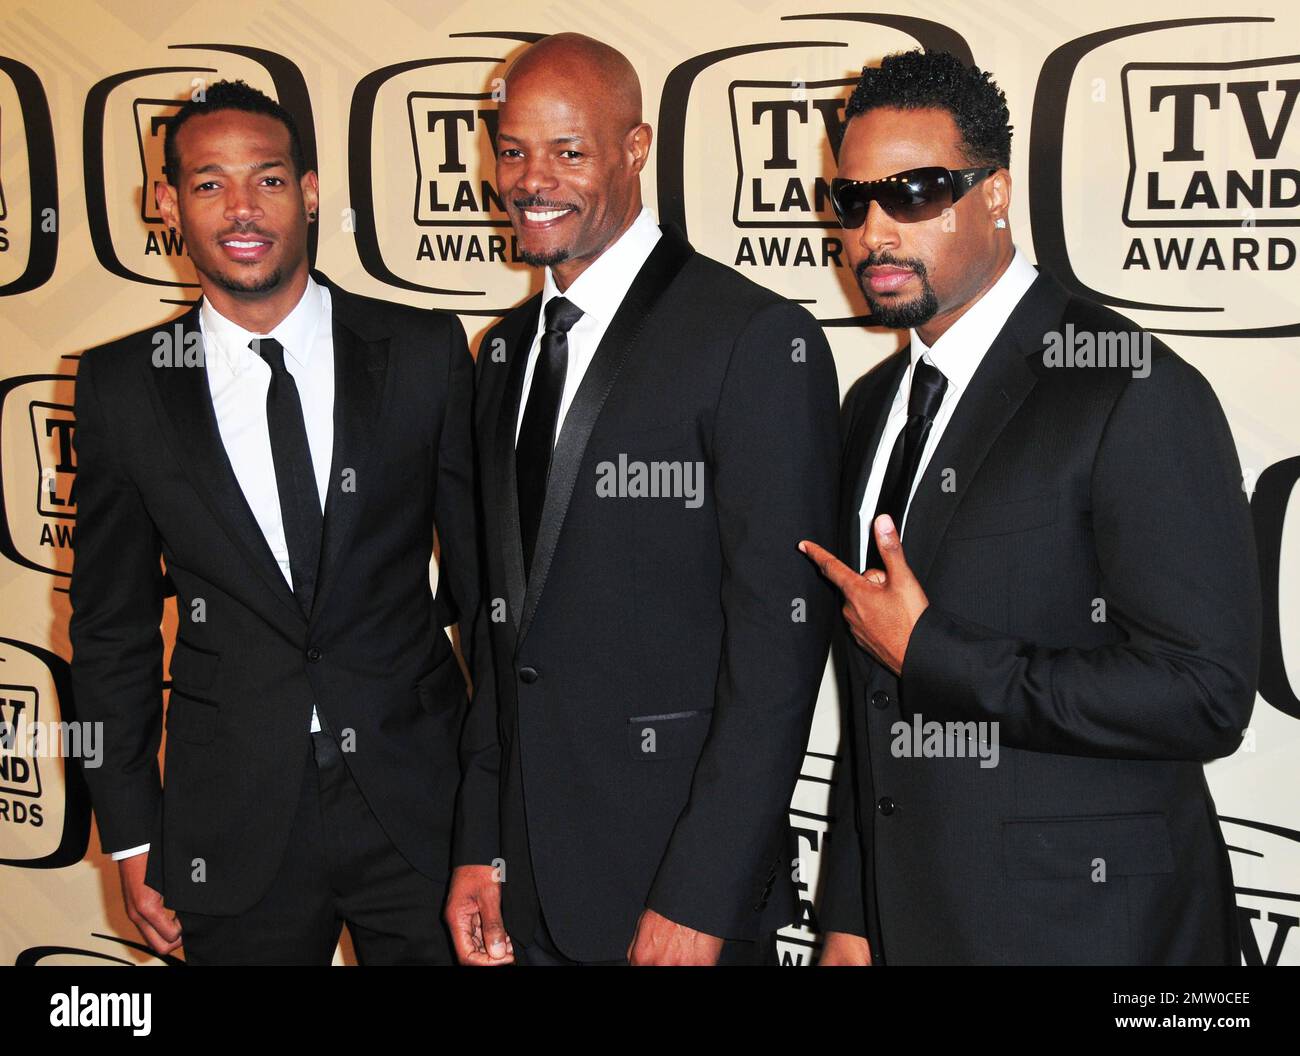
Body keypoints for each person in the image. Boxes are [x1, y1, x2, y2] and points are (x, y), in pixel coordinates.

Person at [804, 50, 1261, 965]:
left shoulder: (1127, 389)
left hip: (1095, 936)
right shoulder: (868, 409)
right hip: (912, 924)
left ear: (998, 192)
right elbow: (875, 697)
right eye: (853, 201)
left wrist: (936, 653)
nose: (876, 232)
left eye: (918, 192)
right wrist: (853, 912)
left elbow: (1206, 696)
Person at [445, 33, 840, 966]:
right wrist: (480, 844)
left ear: (635, 149)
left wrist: (699, 896)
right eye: (512, 150)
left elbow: (778, 655)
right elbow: (499, 640)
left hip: (672, 889)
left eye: (568, 151)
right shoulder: (502, 356)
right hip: (526, 883)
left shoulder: (751, 339)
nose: (532, 179)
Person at [69, 80, 478, 964]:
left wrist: (496, 817)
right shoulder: (120, 387)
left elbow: (485, 599)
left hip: (424, 810)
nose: (243, 208)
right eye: (210, 184)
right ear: (168, 202)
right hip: (229, 822)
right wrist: (134, 838)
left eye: (269, 179)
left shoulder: (421, 352)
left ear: (313, 190)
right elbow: (111, 631)